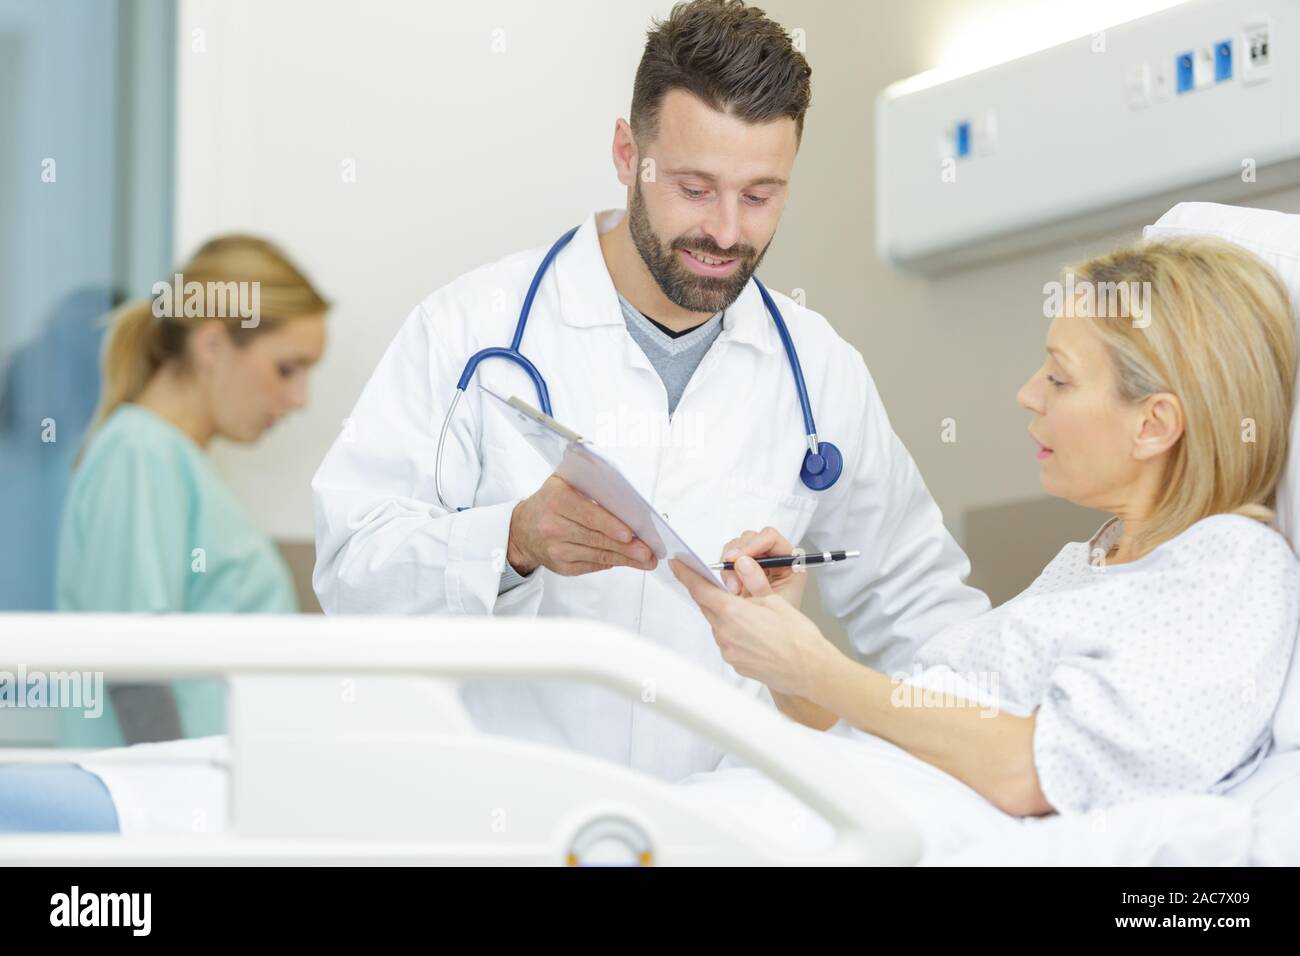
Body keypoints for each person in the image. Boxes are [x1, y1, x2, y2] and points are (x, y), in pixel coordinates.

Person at [311, 0, 988, 782]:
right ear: (628, 154)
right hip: (506, 813)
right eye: (696, 189)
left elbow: (933, 621)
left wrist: (992, 758)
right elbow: (349, 566)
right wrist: (514, 540)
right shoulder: (472, 329)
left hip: (720, 828)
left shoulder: (821, 372)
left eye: (761, 194)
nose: (729, 232)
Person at [672, 235, 1300, 816]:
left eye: (1058, 376)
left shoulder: (1230, 568)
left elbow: (1034, 771)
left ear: (1154, 424)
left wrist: (815, 668)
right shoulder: (1094, 563)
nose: (1029, 393)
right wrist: (788, 658)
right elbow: (899, 740)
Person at [56, 234, 329, 748]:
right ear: (212, 345)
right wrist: (174, 813)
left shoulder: (175, 462)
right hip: (166, 807)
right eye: (287, 369)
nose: (299, 400)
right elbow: (133, 663)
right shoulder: (140, 451)